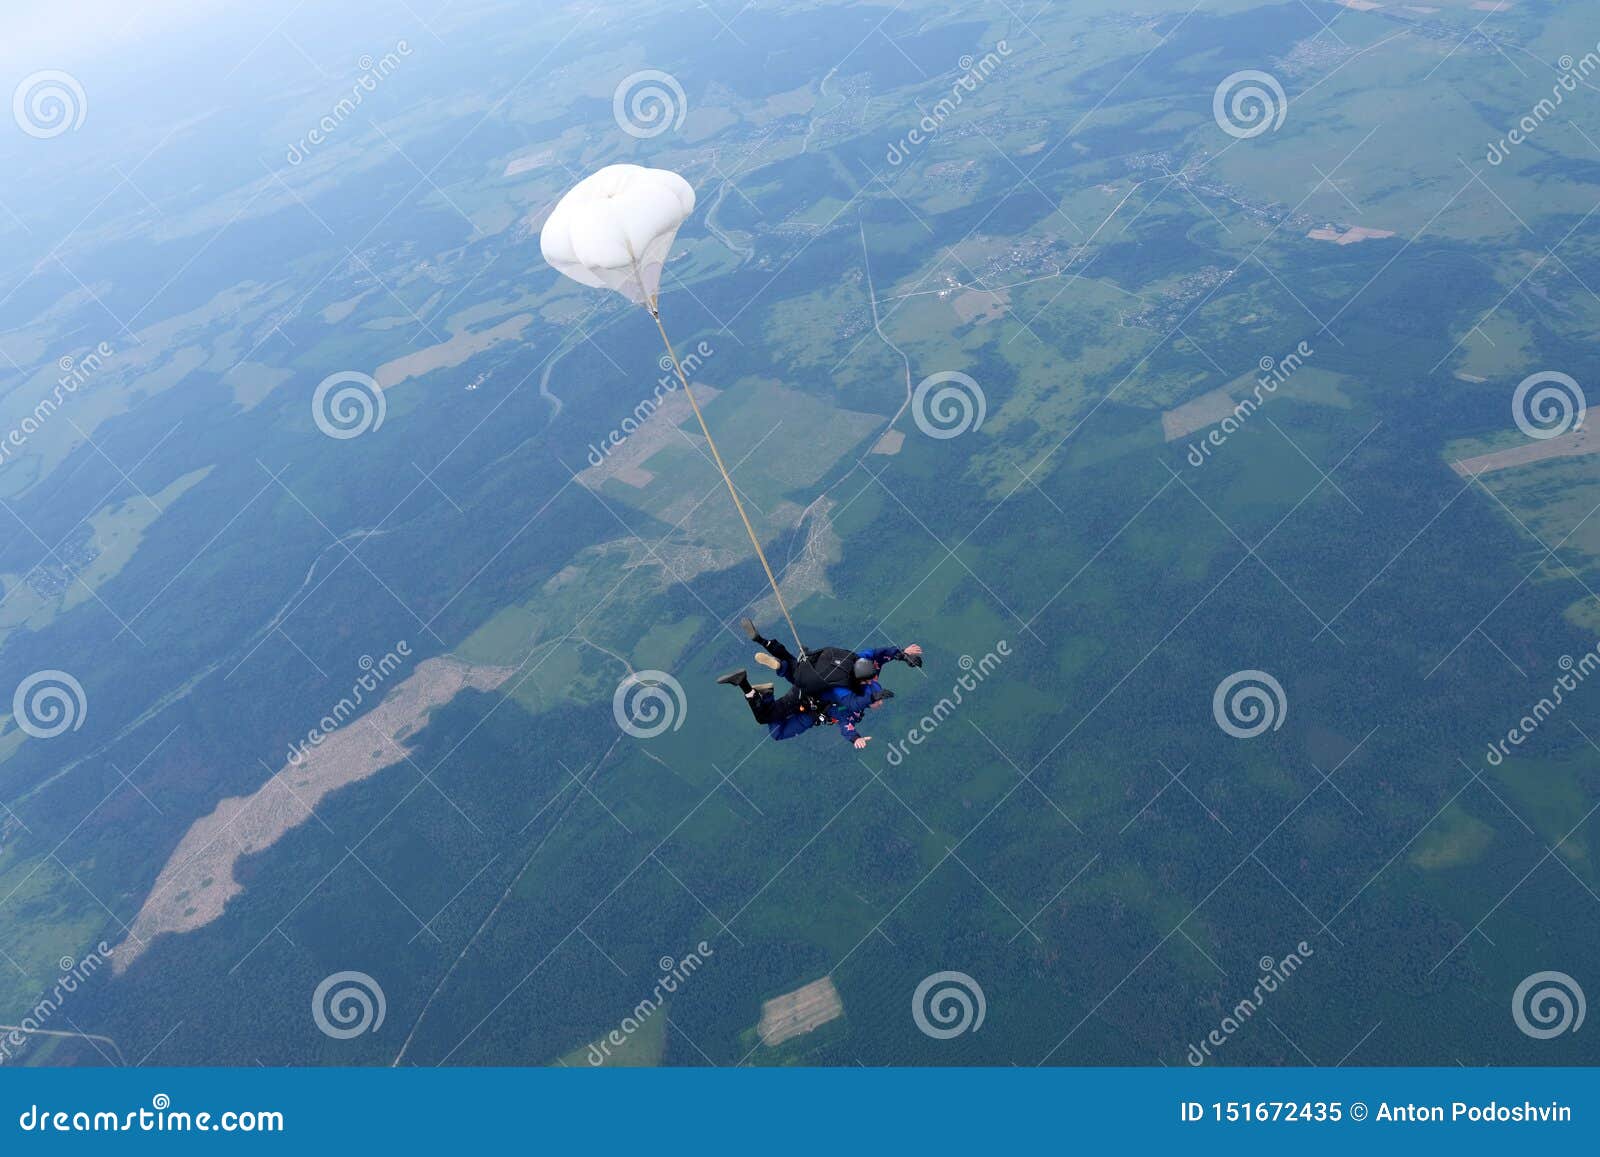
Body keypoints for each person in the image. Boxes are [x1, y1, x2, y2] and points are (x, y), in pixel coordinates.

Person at [739, 619, 922, 707]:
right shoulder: (845, 688)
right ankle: (777, 665)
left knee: (789, 659)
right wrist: (872, 699)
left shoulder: (858, 658)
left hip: (813, 661)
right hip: (805, 678)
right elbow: (853, 703)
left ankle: (763, 641)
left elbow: (879, 653)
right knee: (788, 668)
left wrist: (903, 655)